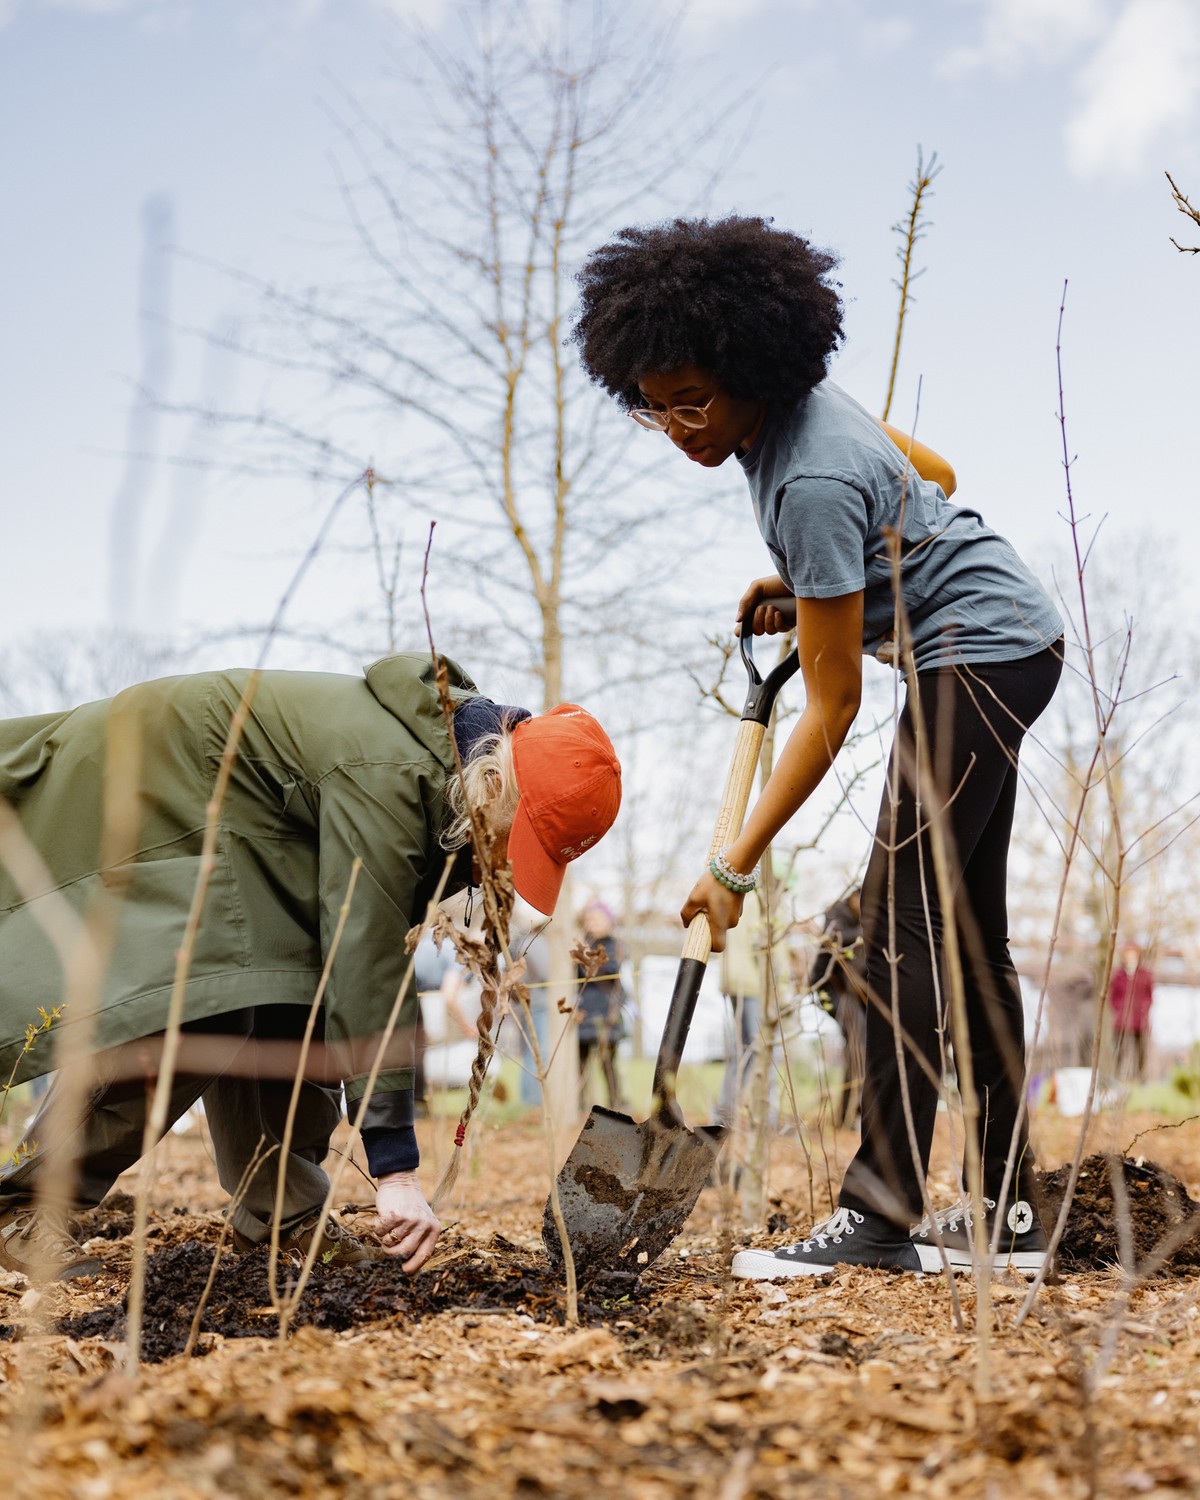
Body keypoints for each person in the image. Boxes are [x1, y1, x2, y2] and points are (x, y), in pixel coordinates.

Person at [572, 215, 1064, 1277]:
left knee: (895, 927)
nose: (680, 429)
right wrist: (813, 587)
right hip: (1013, 641)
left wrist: (729, 865)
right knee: (966, 937)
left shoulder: (808, 483)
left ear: (754, 365)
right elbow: (929, 468)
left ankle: (881, 1213)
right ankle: (1012, 1217)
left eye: (695, 399)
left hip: (975, 655)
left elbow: (832, 712)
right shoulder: (801, 426)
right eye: (654, 410)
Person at [0, 654, 620, 1280]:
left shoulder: (449, 770)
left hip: (244, 834)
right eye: (517, 832)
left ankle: (283, 1216)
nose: (506, 853)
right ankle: (22, 1206)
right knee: (198, 1001)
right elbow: (367, 959)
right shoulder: (392, 771)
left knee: (286, 990)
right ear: (496, 782)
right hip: (163, 790)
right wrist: (396, 1167)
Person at [808, 889, 868, 1130]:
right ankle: (849, 1115)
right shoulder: (836, 913)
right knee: (857, 1045)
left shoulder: (860, 919)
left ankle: (852, 1112)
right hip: (831, 991)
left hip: (854, 996)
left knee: (860, 1047)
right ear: (853, 898)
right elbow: (837, 937)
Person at [574, 901, 626, 1111]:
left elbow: (611, 969)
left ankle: (615, 1105)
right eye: (589, 919)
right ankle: (580, 1107)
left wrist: (585, 956)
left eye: (597, 918)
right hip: (584, 1011)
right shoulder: (581, 945)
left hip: (607, 1013)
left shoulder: (615, 946)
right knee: (581, 1064)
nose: (592, 923)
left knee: (608, 1064)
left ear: (608, 921)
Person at [1109, 941, 1155, 1082]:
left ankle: (1140, 1079)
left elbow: (1149, 996)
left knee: (1140, 1051)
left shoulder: (1145, 975)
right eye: (1128, 954)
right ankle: (1120, 1077)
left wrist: (1143, 1010)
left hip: (1139, 1022)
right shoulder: (1118, 975)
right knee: (1120, 1051)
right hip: (1121, 1022)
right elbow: (1113, 997)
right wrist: (1120, 1010)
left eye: (1133, 953)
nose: (1130, 957)